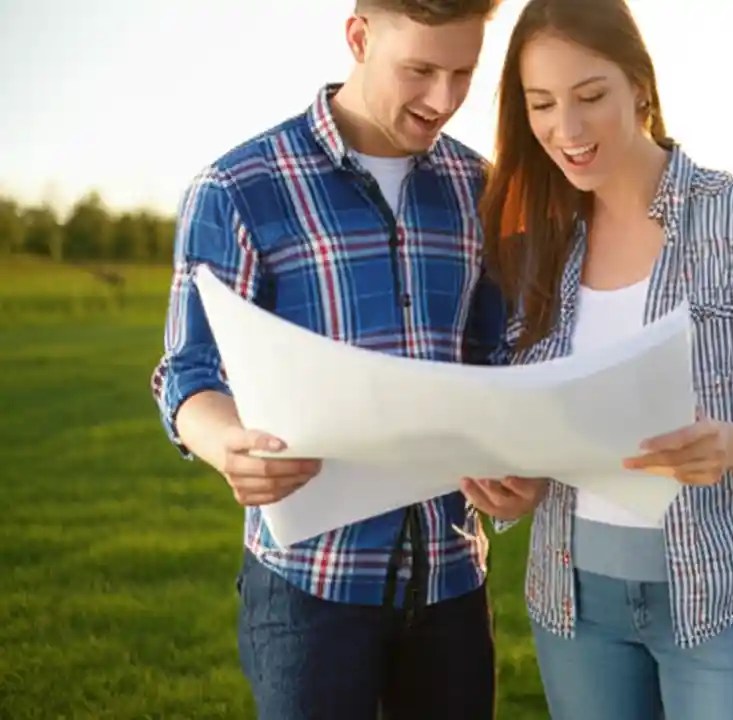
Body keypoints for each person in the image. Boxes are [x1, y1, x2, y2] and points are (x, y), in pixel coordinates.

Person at [459, 0, 733, 717]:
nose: (566, 131)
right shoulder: (535, 238)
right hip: (575, 608)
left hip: (721, 599)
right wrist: (523, 484)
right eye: (541, 104)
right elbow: (540, 418)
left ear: (640, 84)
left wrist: (728, 446)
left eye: (590, 97)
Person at [149, 1, 506, 718]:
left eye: (464, 72)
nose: (443, 99)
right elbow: (189, 371)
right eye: (420, 70)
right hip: (309, 590)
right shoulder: (240, 188)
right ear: (358, 36)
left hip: (453, 582)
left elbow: (495, 360)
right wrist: (226, 445)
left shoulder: (483, 189)